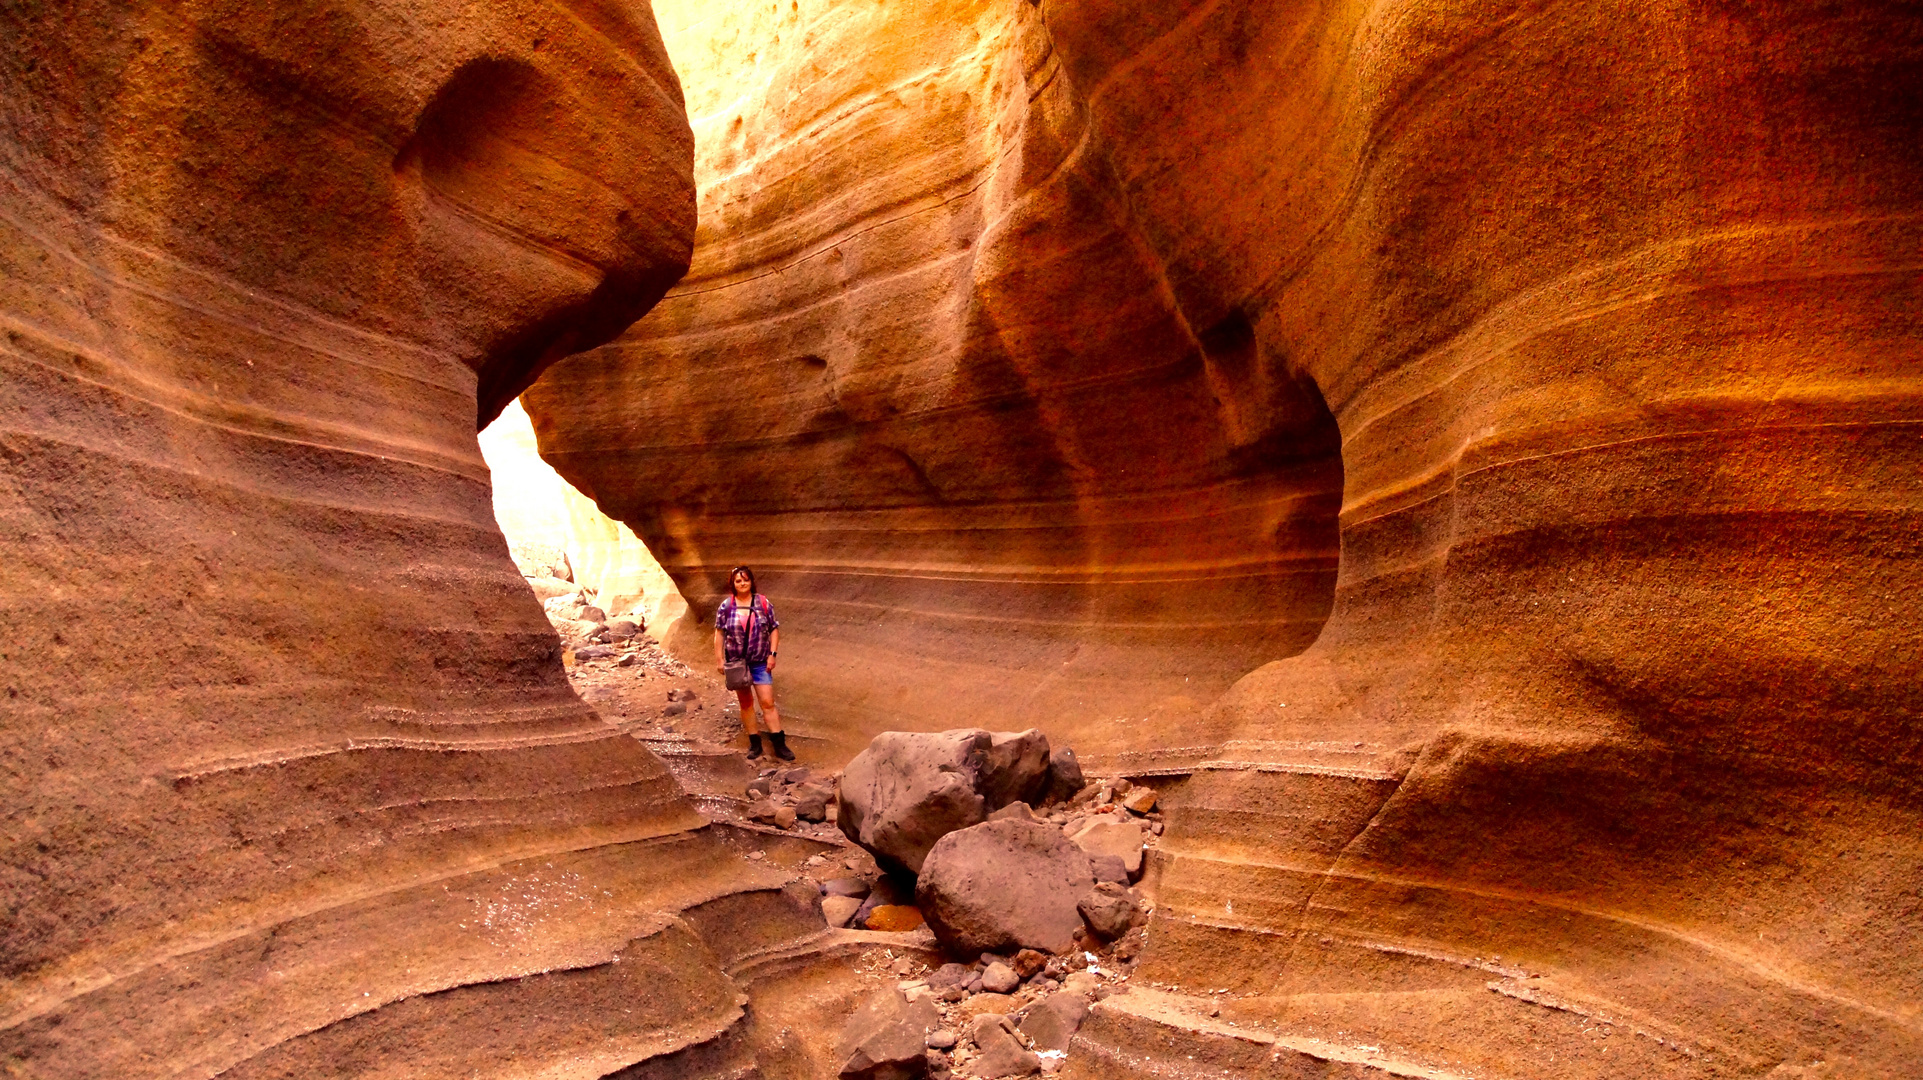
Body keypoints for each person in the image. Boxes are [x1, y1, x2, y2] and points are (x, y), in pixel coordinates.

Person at [713, 566, 793, 761]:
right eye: (738, 581)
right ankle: (755, 742)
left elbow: (774, 629)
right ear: (732, 584)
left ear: (751, 581)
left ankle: (779, 743)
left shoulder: (763, 603)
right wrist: (719, 660)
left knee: (767, 702)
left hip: (759, 661)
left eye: (745, 580)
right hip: (737, 662)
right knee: (746, 703)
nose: (742, 584)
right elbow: (719, 633)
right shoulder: (726, 606)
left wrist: (772, 654)